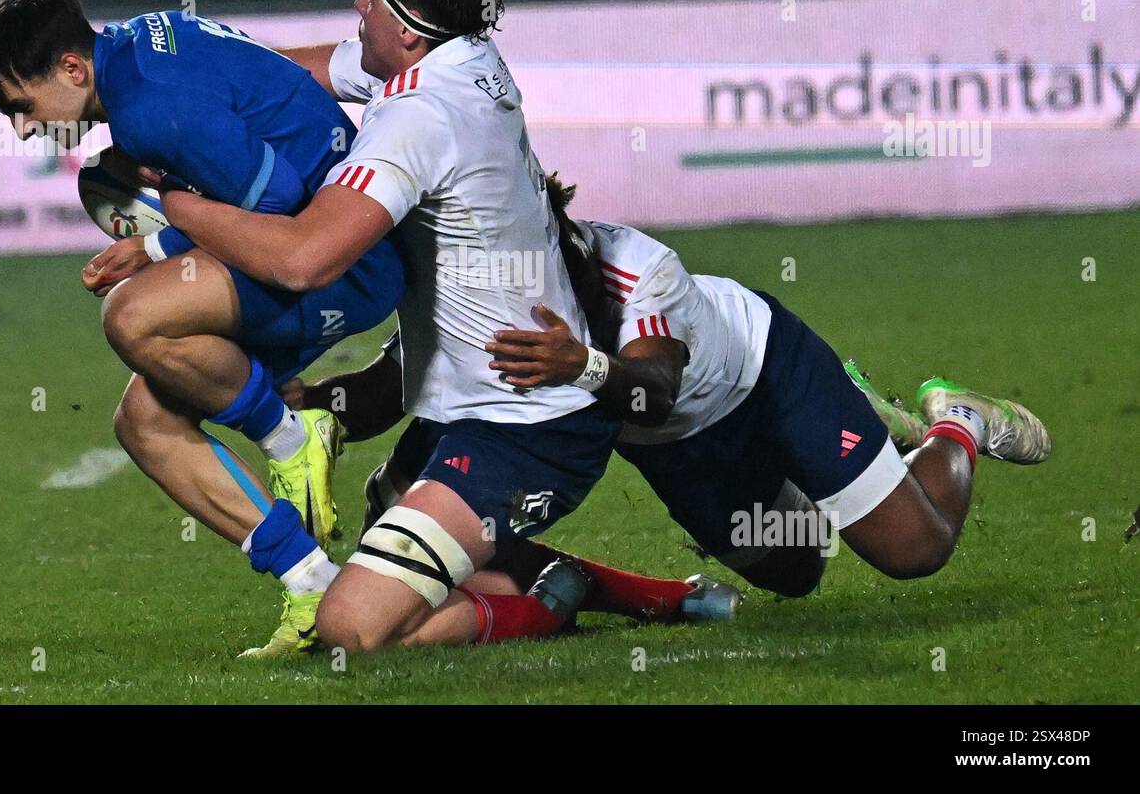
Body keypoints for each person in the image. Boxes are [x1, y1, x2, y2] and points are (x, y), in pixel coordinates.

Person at [158, 0, 730, 651]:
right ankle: (646, 595)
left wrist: (176, 204)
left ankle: (550, 606)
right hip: (467, 402)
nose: (356, 10)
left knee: (354, 627)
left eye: (367, 0)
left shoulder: (423, 115)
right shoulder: (460, 54)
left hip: (526, 425)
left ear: (409, 30)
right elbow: (286, 75)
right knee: (404, 542)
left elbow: (304, 258)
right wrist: (180, 77)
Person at [290, 177, 1053, 608]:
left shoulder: (637, 267)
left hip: (765, 372)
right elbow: (400, 378)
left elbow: (651, 391)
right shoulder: (492, 288)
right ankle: (863, 439)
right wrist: (308, 404)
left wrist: (580, 365)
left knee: (914, 550)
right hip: (683, 447)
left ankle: (954, 420)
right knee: (797, 568)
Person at [0, 0, 407, 655]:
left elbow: (278, 202)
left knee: (133, 315)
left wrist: (163, 230)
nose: (23, 129)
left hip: (344, 259)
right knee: (146, 423)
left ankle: (291, 438)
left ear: (73, 69)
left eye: (22, 106)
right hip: (328, 245)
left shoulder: (148, 110)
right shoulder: (142, 41)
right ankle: (313, 581)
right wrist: (157, 239)